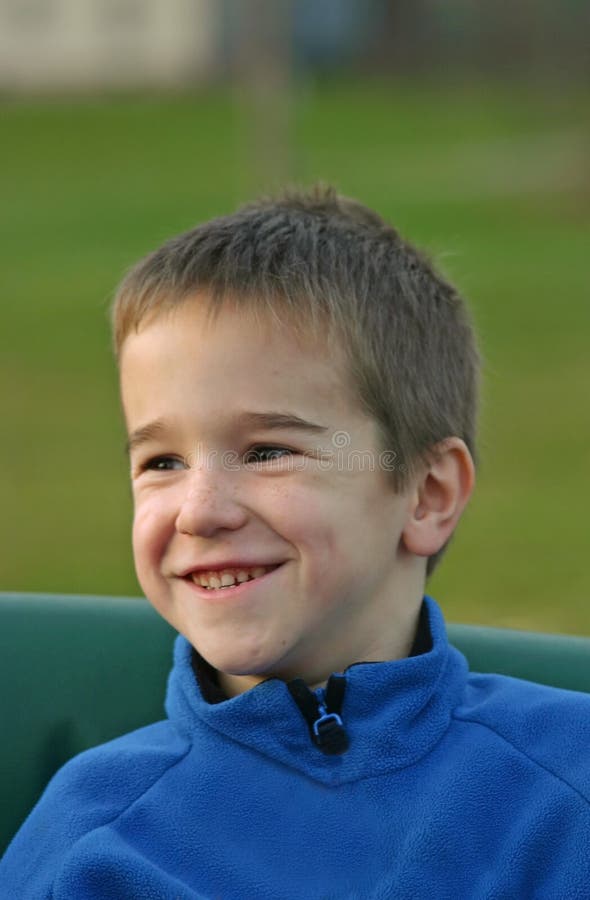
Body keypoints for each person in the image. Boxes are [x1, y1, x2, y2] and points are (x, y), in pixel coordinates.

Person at [1, 186, 589, 899]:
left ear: (428, 494)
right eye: (162, 462)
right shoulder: (91, 842)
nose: (199, 511)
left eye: (267, 451)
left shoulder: (565, 789)